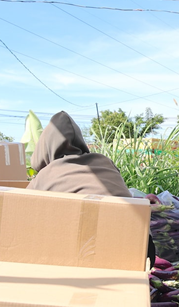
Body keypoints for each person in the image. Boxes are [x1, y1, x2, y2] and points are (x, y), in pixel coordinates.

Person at [28, 111, 156, 267]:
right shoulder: (104, 161)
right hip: (141, 246)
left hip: (91, 252)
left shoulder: (45, 175)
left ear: (44, 148)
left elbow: (22, 208)